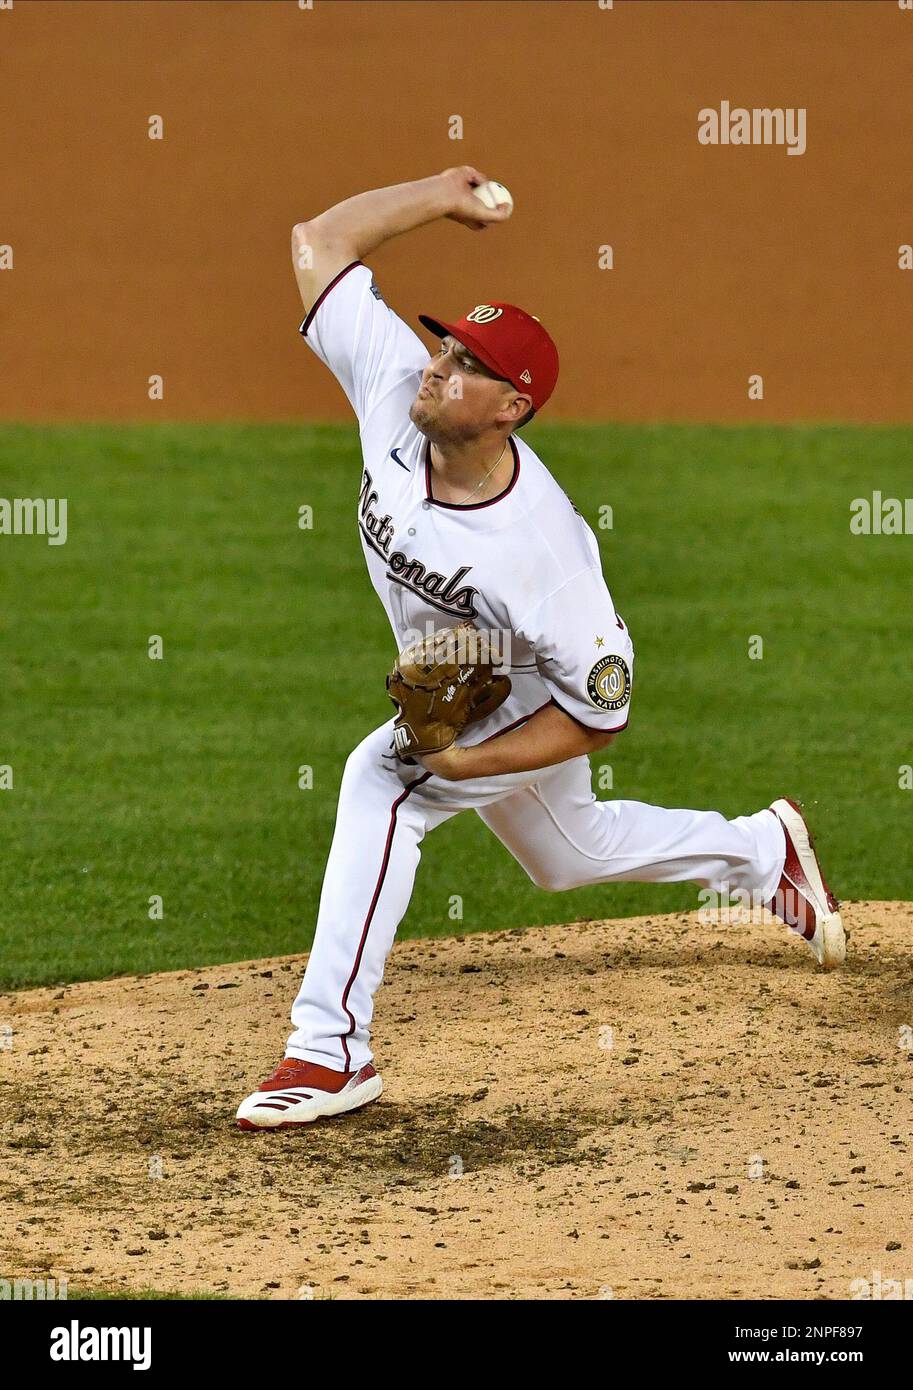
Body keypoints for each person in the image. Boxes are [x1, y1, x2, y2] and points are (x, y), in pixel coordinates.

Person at [236, 166, 844, 1131]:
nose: (438, 365)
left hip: (523, 698)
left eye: (469, 364)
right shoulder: (397, 389)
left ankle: (327, 1049)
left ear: (511, 406)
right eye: (443, 346)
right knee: (570, 854)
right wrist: (439, 192)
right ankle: (760, 850)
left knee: (381, 781)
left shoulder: (548, 564)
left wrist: (468, 759)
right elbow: (317, 240)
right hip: (464, 681)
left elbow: (600, 714)